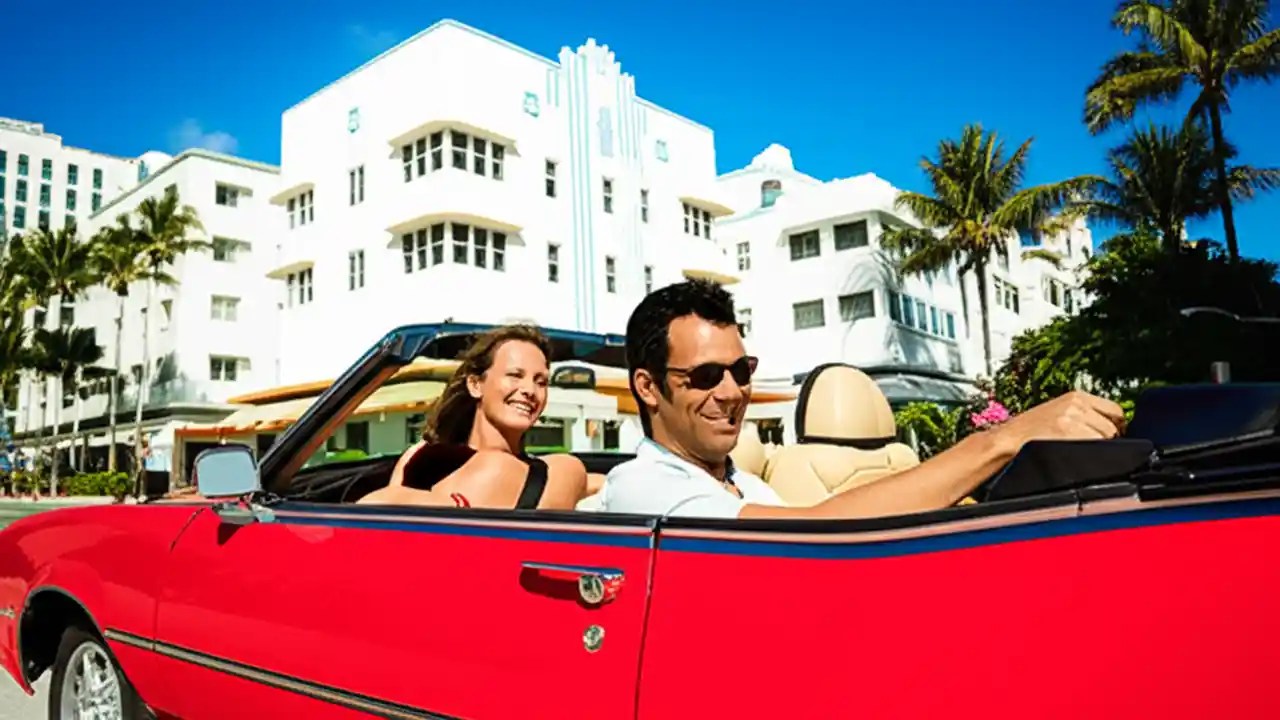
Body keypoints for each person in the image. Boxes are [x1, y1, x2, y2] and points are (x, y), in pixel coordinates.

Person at [598, 279, 1127, 519]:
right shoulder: (644, 486)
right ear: (648, 387)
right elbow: (818, 534)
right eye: (707, 375)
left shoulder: (746, 484)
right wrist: (1002, 440)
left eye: (742, 369)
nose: (733, 391)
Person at [357, 325, 588, 510]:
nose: (530, 390)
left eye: (541, 381)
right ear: (476, 384)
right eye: (515, 375)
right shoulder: (421, 458)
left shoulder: (557, 471)